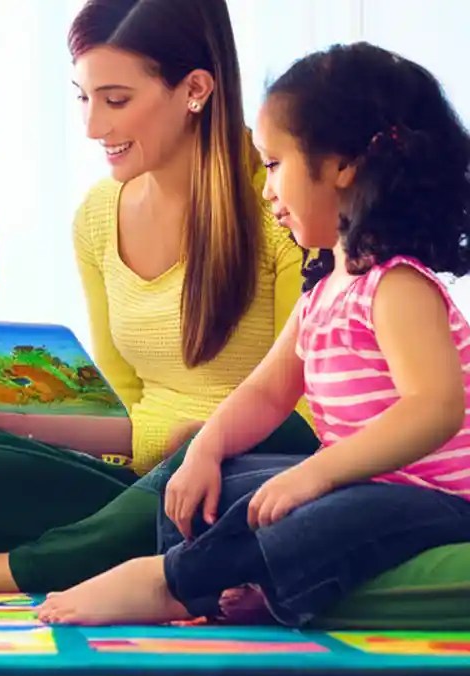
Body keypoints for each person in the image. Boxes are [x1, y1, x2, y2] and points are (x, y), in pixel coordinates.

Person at [0, 0, 318, 591]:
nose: (93, 126)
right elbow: (121, 412)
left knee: (230, 448)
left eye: (116, 100)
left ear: (195, 89)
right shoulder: (99, 217)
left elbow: (305, 413)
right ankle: (124, 545)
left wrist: (204, 436)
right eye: (83, 96)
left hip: (249, 467)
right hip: (145, 484)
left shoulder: (283, 201)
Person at [38, 42, 470, 627]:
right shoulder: (325, 290)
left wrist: (316, 471)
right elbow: (266, 394)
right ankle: (222, 590)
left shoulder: (397, 286)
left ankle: (171, 584)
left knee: (320, 515)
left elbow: (435, 408)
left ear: (344, 166)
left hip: (439, 499)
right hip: (364, 481)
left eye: (273, 164)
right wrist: (206, 451)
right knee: (212, 483)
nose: (266, 190)